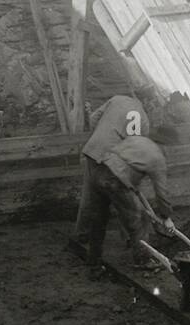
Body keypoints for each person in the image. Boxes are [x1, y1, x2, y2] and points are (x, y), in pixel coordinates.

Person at [70, 94, 175, 267]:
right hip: (115, 173)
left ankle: (91, 255)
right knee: (138, 216)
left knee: (97, 212)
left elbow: (95, 119)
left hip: (99, 156)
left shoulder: (117, 99)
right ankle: (143, 259)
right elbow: (161, 192)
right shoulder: (149, 136)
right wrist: (166, 216)